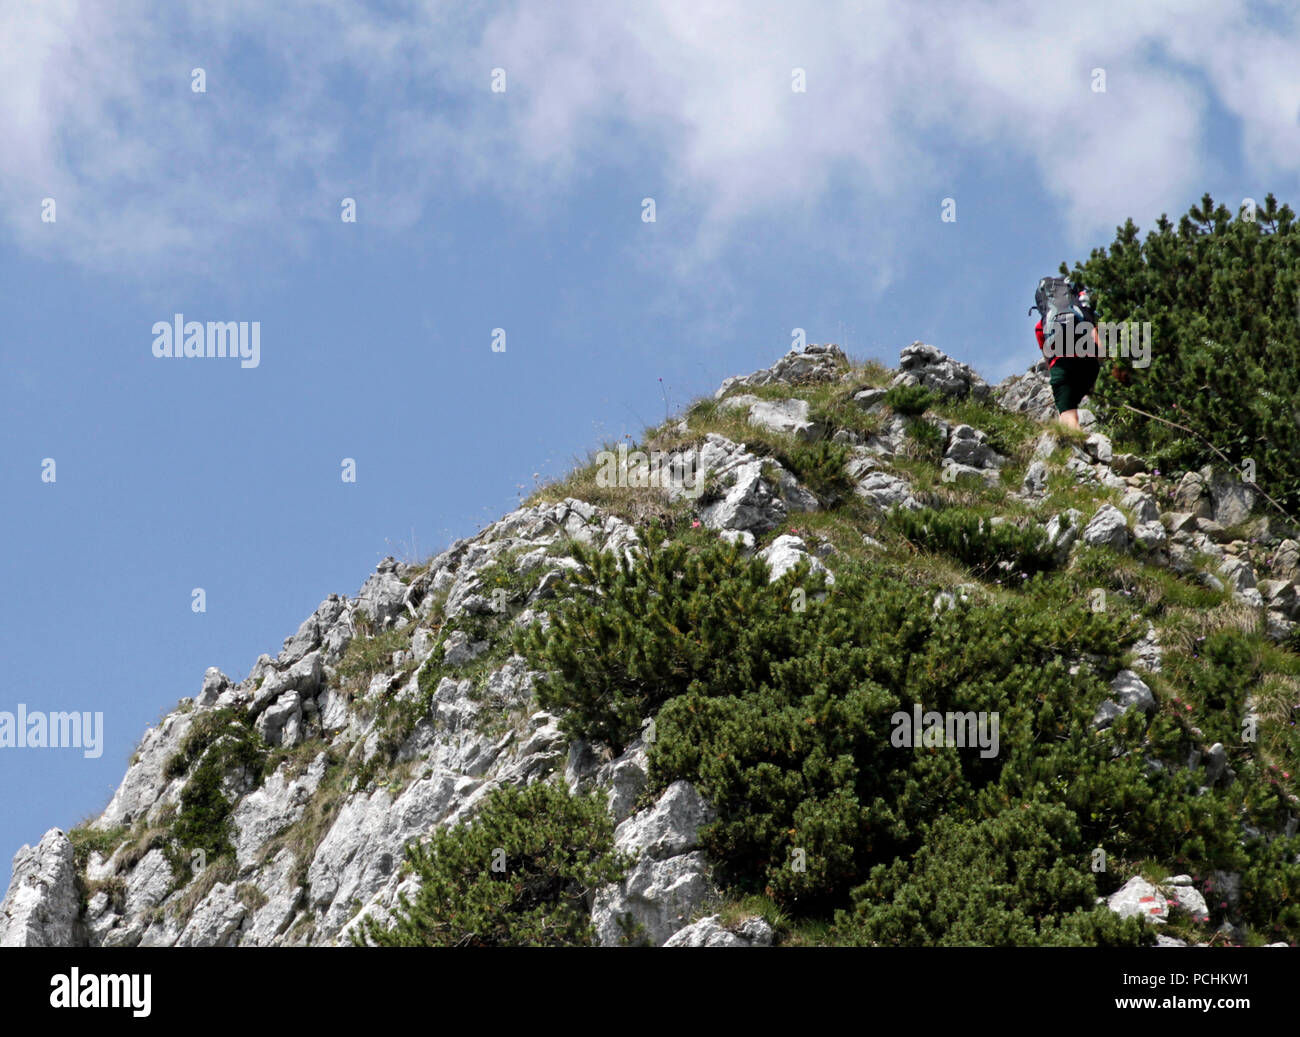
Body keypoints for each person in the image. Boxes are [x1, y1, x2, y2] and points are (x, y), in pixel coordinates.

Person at [1035, 286, 1100, 429]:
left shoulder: (1042, 325)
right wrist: (1089, 383)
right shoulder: (1083, 313)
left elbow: (1049, 358)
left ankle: (1073, 445)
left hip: (1062, 364)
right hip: (1088, 362)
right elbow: (1098, 347)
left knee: (1067, 413)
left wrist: (1059, 382)